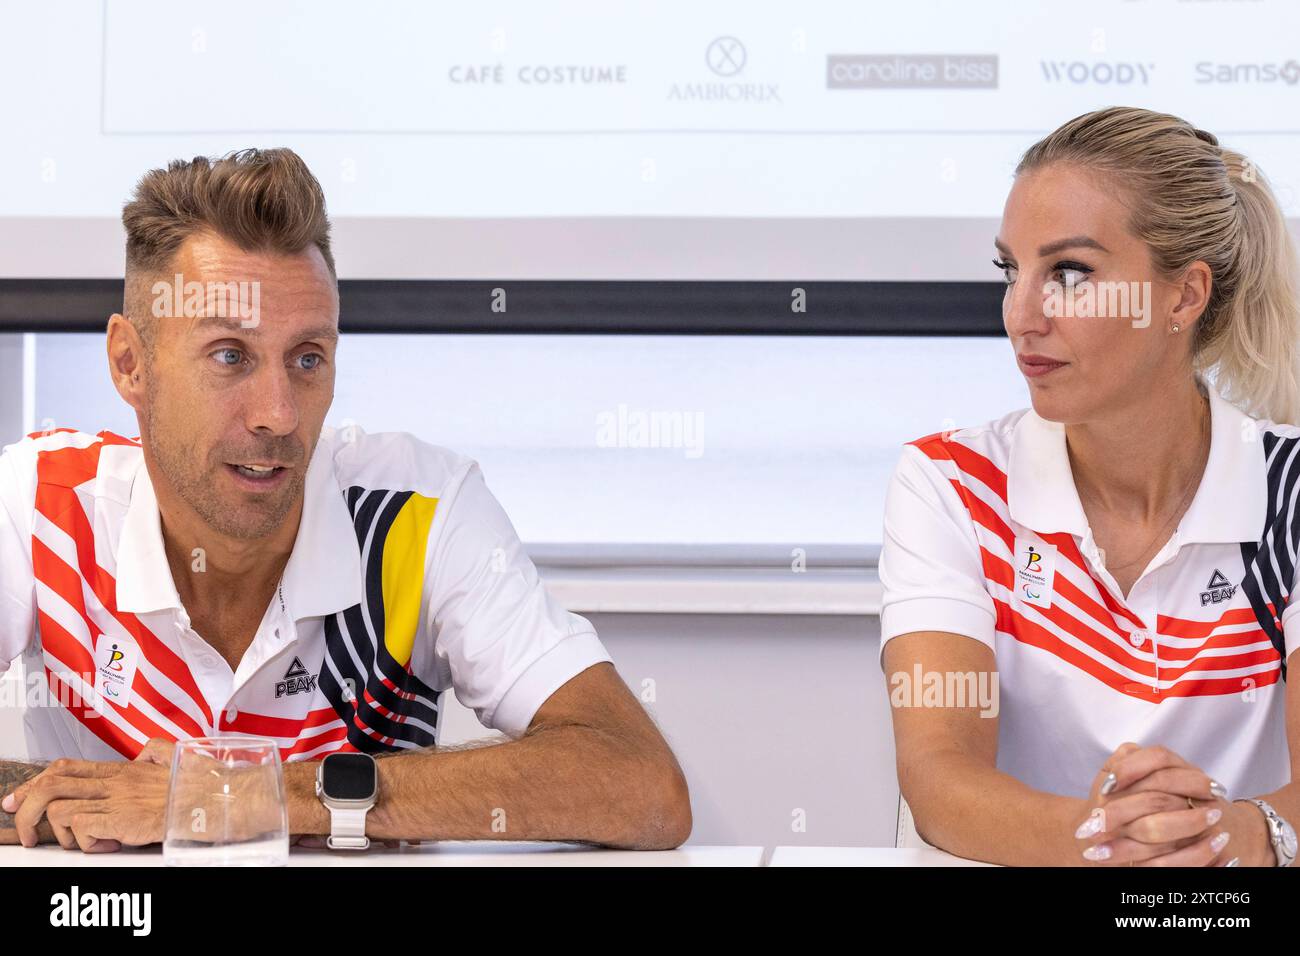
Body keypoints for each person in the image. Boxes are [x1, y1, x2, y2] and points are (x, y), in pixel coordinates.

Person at [0, 148, 691, 853]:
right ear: (130, 364)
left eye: (307, 358)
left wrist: (245, 793)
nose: (278, 415)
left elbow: (642, 786)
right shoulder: (39, 506)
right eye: (230, 355)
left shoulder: (420, 512)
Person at [880, 107, 1300, 866]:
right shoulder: (948, 483)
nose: (1020, 315)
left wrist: (1237, 835)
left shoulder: (1293, 490)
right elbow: (938, 778)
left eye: (1069, 275)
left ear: (1183, 297)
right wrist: (1120, 838)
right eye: (1013, 270)